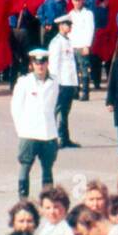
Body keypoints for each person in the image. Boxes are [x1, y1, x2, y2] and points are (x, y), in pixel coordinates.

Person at [11, 49, 59, 199]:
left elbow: (54, 104)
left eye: (43, 63)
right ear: (32, 64)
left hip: (48, 132)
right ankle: (23, 197)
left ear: (47, 63)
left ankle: (48, 198)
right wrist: (21, 129)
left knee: (47, 167)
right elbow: (16, 107)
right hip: (29, 132)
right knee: (25, 165)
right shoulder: (24, 82)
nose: (40, 66)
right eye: (37, 63)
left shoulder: (54, 81)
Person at [48, 14, 79, 147]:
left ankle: (65, 138)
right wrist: (55, 82)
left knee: (65, 111)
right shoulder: (56, 42)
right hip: (61, 81)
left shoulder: (68, 40)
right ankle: (56, 138)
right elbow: (54, 64)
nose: (70, 27)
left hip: (69, 81)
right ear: (61, 26)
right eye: (68, 24)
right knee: (59, 110)